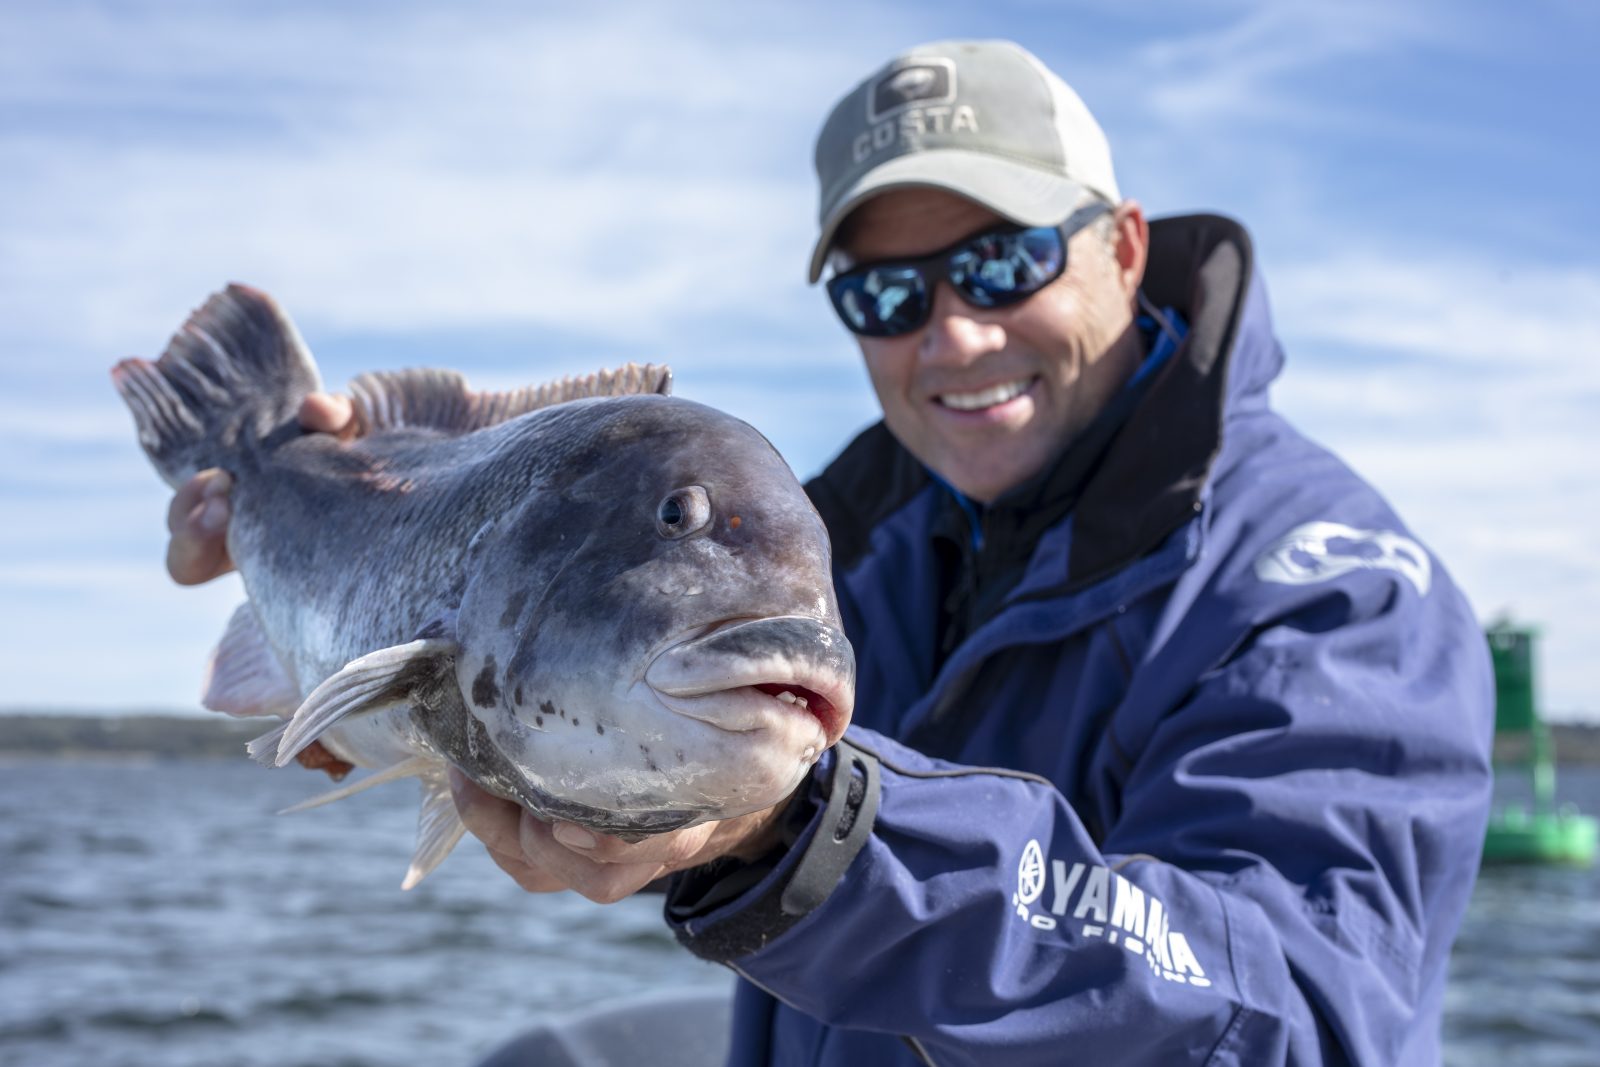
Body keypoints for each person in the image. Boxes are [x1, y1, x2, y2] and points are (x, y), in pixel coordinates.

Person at [166, 39, 1494, 1066]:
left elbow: (1300, 1020)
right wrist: (337, 626)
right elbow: (551, 703)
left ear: (1124, 248)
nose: (953, 335)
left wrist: (797, 840)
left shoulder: (1334, 596)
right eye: (885, 292)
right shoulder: (850, 542)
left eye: (1007, 259)